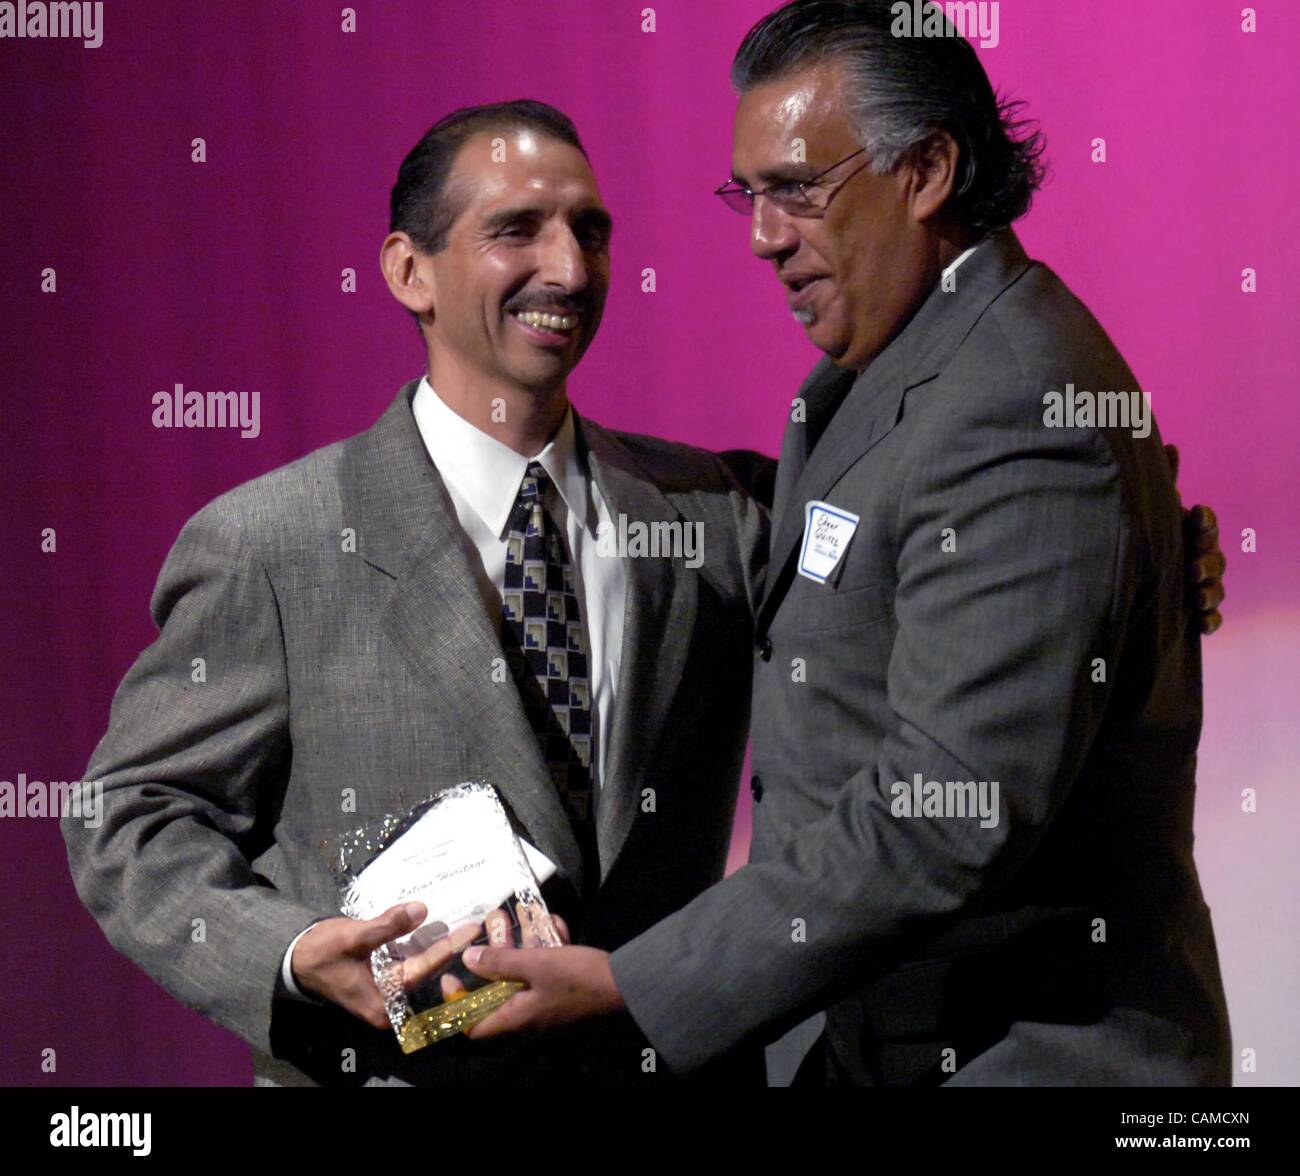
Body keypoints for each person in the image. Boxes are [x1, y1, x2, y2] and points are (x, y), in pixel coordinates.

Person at [463, 1, 1233, 1086]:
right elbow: (842, 540)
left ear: (924, 172)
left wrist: (637, 985)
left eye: (796, 190)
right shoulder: (903, 364)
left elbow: (943, 812)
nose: (763, 234)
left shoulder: (1012, 402)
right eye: (749, 194)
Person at [61, 100, 769, 1087]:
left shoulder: (718, 513)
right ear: (407, 271)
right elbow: (131, 815)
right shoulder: (272, 543)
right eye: (516, 229)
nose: (566, 268)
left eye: (590, 232)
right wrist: (294, 951)